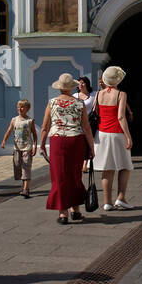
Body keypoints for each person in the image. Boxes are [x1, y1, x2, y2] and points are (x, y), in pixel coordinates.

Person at [39, 73, 95, 223]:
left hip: (57, 141)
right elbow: (86, 127)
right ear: (72, 87)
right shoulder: (79, 103)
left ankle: (63, 213)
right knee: (74, 176)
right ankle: (75, 210)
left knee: (59, 176)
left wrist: (42, 144)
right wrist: (91, 147)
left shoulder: (52, 103)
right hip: (76, 140)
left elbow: (45, 127)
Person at [92, 65, 133, 211]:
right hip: (117, 134)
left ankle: (107, 202)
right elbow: (121, 117)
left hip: (101, 134)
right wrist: (128, 137)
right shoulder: (121, 94)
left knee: (107, 168)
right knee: (125, 166)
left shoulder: (98, 94)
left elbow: (96, 113)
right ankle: (121, 198)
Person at [1, 99, 37, 197]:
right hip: (17, 147)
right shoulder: (14, 120)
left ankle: (26, 189)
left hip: (27, 147)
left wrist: (35, 147)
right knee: (17, 165)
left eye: (22, 107)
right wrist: (4, 140)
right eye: (18, 107)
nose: (19, 109)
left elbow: (34, 134)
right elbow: (9, 130)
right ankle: (24, 184)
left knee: (26, 167)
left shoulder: (29, 121)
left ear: (27, 108)